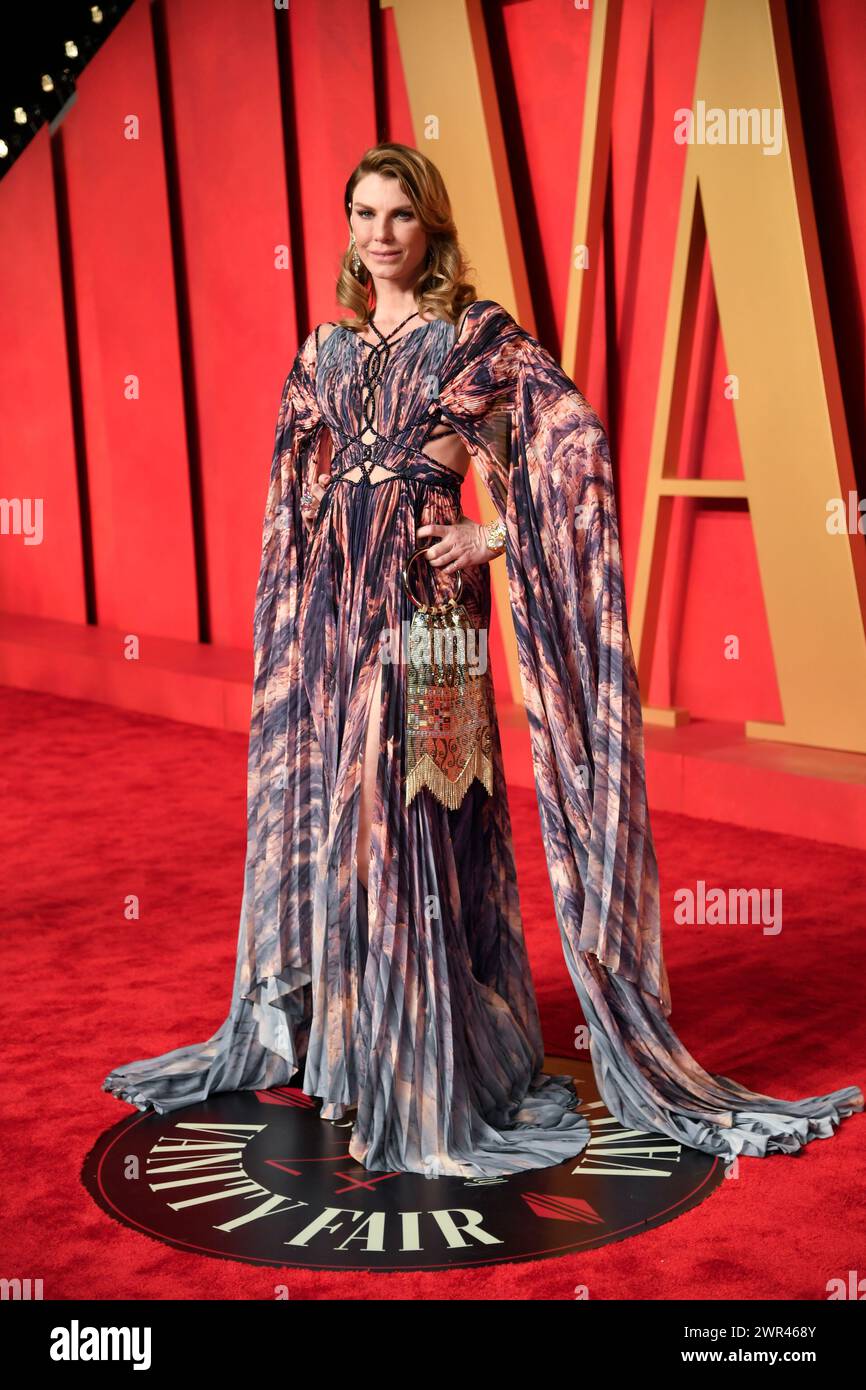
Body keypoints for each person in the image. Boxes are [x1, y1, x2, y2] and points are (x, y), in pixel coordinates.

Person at [102, 142, 863, 1178]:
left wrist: (489, 537)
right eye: (363, 213)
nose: (379, 234)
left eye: (399, 216)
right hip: (334, 623)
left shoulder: (474, 337)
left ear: (431, 226)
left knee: (415, 826)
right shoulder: (322, 349)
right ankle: (365, 1056)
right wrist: (309, 579)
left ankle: (430, 1073)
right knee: (351, 827)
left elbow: (574, 447)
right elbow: (290, 497)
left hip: (430, 622)